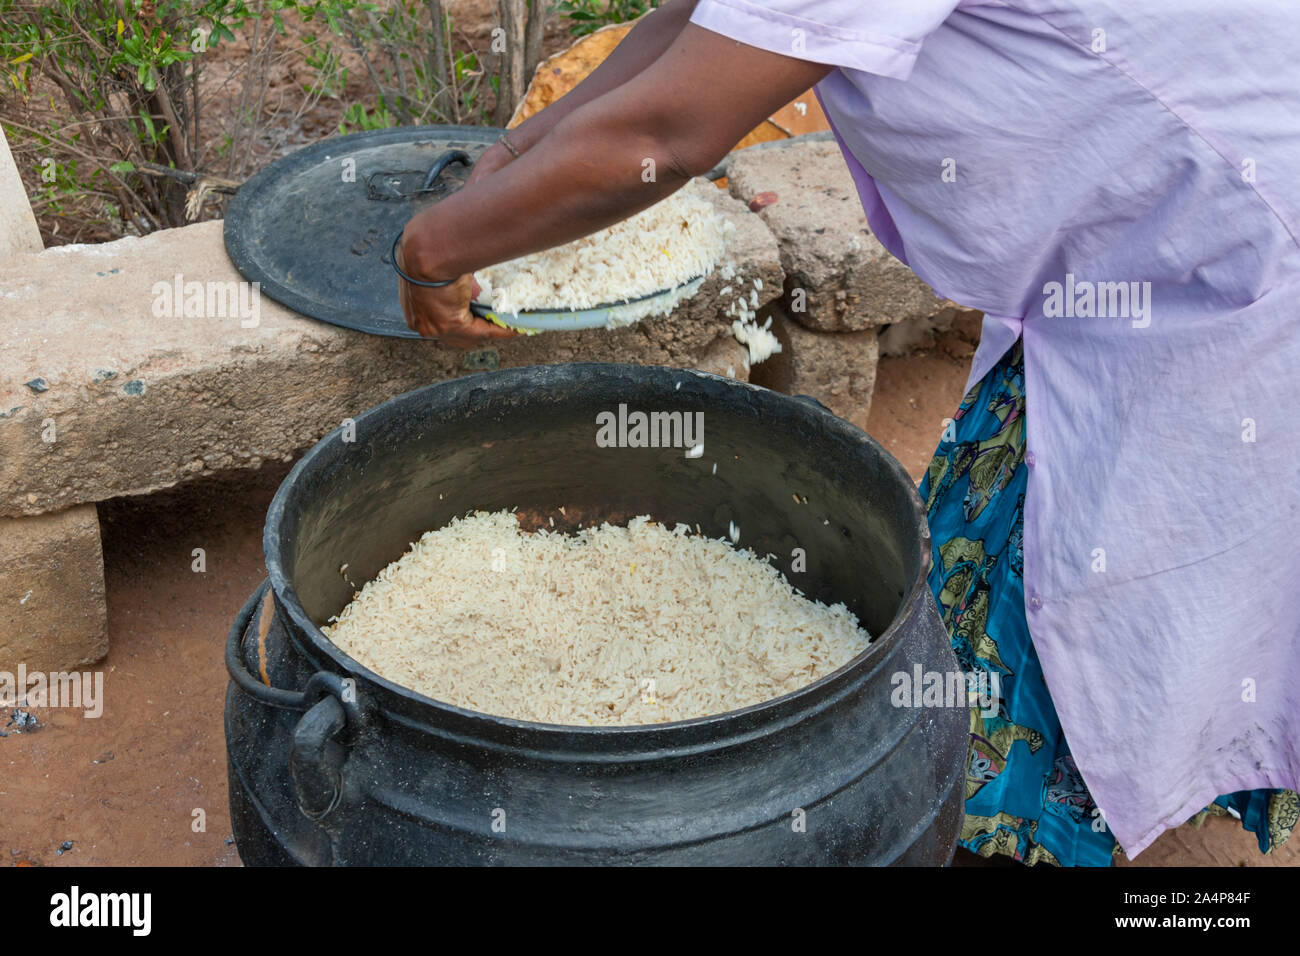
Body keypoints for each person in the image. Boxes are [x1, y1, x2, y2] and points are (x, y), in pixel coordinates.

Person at [396, 0, 1300, 864]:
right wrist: (514, 156)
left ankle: (1013, 819)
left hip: (1238, 256)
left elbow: (665, 135)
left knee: (1086, 611)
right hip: (1156, 241)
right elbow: (692, 24)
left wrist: (435, 250)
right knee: (1020, 579)